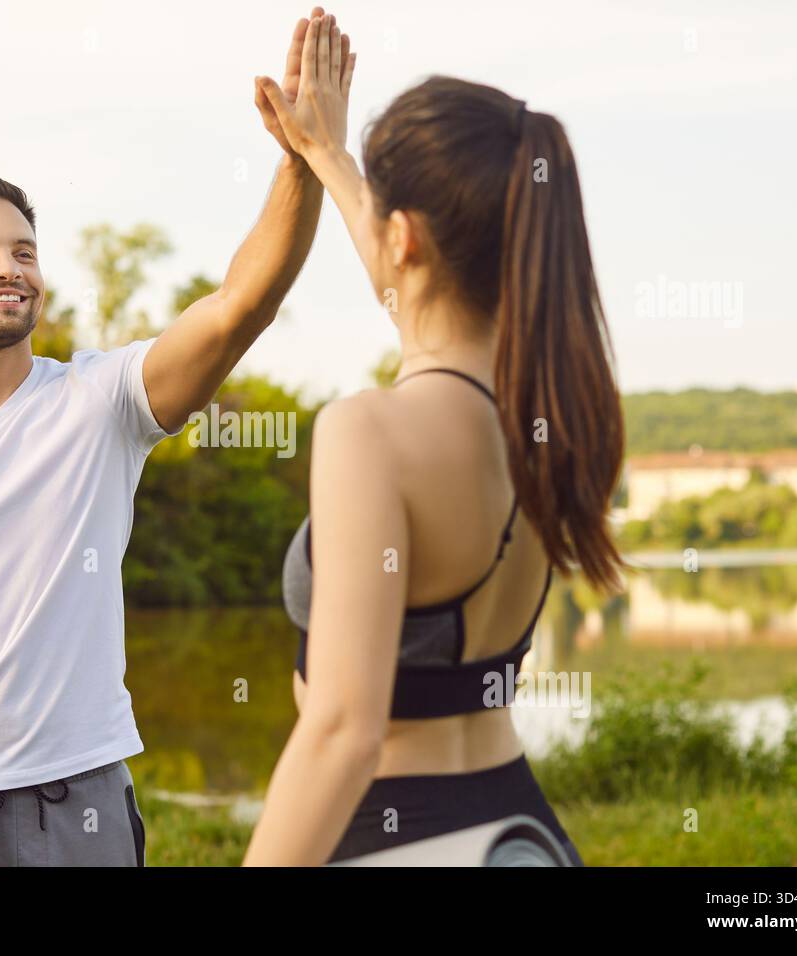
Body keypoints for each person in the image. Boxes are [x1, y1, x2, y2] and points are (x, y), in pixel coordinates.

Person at [0, 7, 352, 866]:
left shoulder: (104, 400)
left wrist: (302, 161)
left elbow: (238, 310)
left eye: (23, 250)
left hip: (85, 805)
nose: (8, 267)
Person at [243, 18, 626, 866]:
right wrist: (329, 158)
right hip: (522, 833)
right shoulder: (554, 417)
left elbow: (343, 730)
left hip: (399, 839)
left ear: (404, 235)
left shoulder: (369, 431)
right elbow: (416, 298)